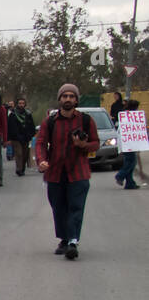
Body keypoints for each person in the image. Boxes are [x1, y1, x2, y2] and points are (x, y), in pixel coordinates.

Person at [35, 83, 101, 259]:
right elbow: (41, 142)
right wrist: (41, 160)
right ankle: (64, 239)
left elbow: (96, 143)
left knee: (76, 206)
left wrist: (83, 145)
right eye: (65, 96)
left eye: (72, 96)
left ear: (76, 100)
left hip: (78, 172)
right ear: (59, 99)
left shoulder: (86, 121)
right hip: (55, 172)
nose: (68, 99)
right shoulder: (50, 122)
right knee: (58, 207)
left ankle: (72, 241)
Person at [114, 100, 141, 189]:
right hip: (128, 143)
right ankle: (120, 175)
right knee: (131, 162)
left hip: (127, 143)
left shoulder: (125, 115)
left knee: (129, 162)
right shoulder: (129, 116)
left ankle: (130, 183)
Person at [7, 96, 37, 175]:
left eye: (23, 103)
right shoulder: (13, 114)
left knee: (25, 154)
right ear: (17, 104)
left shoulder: (28, 114)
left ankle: (22, 168)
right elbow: (10, 126)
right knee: (19, 153)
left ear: (25, 104)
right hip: (16, 138)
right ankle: (19, 169)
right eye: (20, 103)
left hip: (26, 137)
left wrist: (31, 135)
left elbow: (32, 126)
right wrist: (9, 138)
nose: (21, 105)